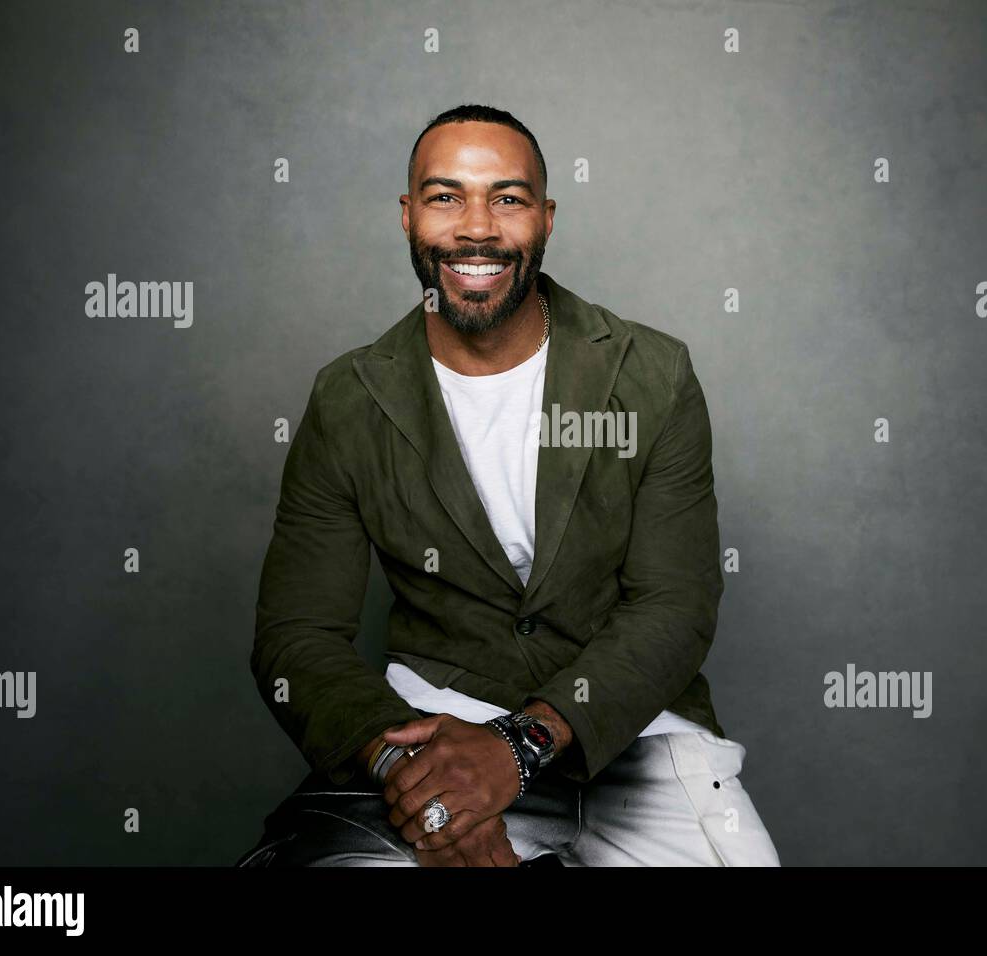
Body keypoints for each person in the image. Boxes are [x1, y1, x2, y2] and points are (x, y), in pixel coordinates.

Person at [239, 104, 779, 867]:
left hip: (641, 736)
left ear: (546, 218)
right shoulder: (349, 398)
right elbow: (296, 636)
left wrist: (520, 746)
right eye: (445, 196)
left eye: (508, 198)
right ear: (407, 216)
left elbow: (676, 603)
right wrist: (414, 776)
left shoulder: (653, 374)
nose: (477, 227)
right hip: (432, 727)